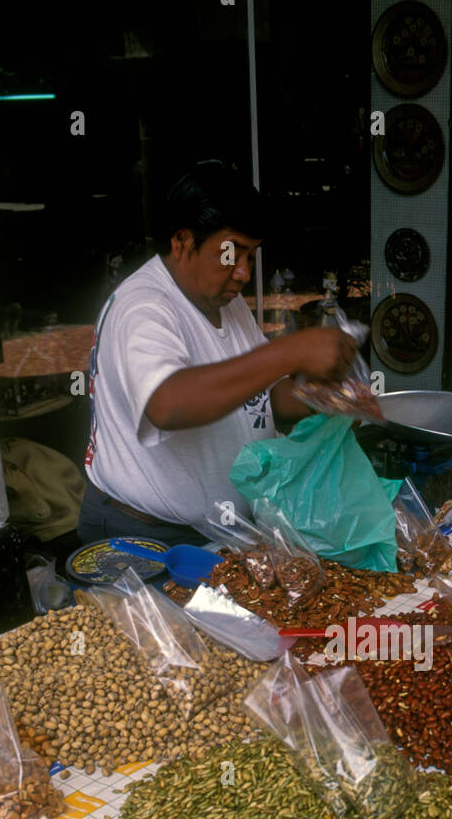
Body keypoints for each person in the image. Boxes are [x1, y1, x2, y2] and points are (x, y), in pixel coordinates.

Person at [77, 160, 357, 544]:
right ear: (182, 242)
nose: (243, 272)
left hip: (221, 535)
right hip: (146, 538)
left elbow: (263, 397)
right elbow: (167, 404)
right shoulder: (143, 308)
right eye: (231, 253)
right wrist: (290, 352)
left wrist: (327, 397)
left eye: (251, 256)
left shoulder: (225, 300)